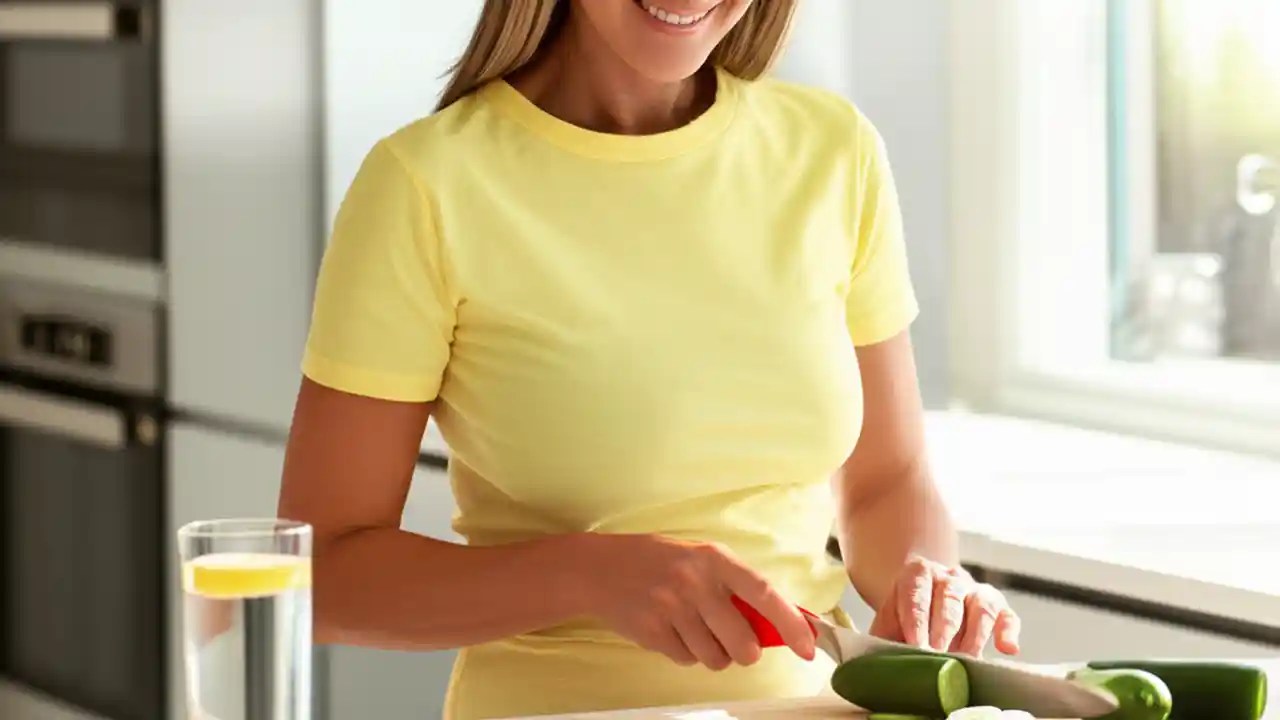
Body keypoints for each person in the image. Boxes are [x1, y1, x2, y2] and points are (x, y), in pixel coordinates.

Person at [278, 1, 1022, 718]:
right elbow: (322, 574)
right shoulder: (425, 186)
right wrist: (586, 574)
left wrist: (930, 584)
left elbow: (886, 481)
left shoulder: (834, 152)